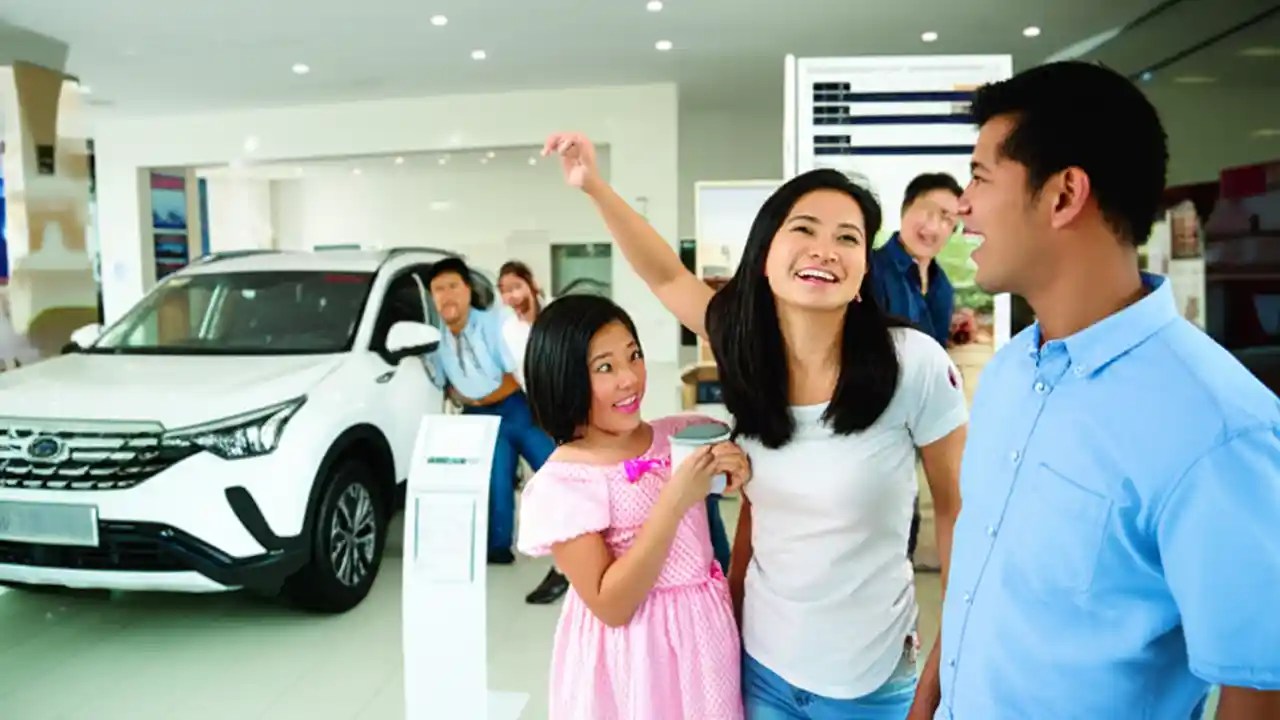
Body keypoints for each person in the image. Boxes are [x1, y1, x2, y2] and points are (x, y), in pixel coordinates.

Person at [543, 132, 968, 720]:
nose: (825, 250)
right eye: (804, 229)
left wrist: (948, 669)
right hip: (758, 667)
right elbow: (666, 276)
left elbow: (958, 510)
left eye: (848, 238)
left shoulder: (913, 364)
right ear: (765, 253)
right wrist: (593, 184)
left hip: (872, 681)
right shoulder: (748, 351)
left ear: (864, 266)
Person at [937, 61, 1280, 720]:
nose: (963, 205)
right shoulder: (1012, 373)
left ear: (1064, 195)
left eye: (980, 177)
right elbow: (984, 588)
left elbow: (1259, 687)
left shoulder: (1219, 425)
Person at [516, 294, 749, 720]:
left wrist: (737, 469)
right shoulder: (565, 483)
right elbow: (611, 604)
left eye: (634, 355)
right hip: (632, 659)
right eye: (605, 367)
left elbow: (737, 473)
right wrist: (674, 501)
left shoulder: (685, 434)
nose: (630, 378)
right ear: (563, 378)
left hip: (705, 643)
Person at [423, 257, 556, 583]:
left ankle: (592, 528)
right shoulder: (434, 340)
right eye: (438, 289)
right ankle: (498, 549)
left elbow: (518, 369)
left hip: (516, 409)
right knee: (496, 482)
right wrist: (465, 401)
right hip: (477, 418)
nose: (447, 295)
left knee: (555, 469)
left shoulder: (496, 324)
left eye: (453, 286)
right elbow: (442, 384)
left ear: (468, 290)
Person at [871, 172, 964, 567]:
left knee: (907, 520)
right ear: (907, 208)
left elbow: (932, 350)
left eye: (948, 220)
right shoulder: (871, 269)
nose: (935, 227)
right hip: (875, 414)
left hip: (920, 421)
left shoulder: (941, 286)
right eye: (930, 212)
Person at [497, 259, 570, 605]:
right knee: (553, 487)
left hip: (576, 410)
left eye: (516, 286)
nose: (511, 296)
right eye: (505, 290)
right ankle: (566, 565)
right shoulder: (510, 331)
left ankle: (569, 567)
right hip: (543, 417)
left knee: (577, 484)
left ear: (531, 284)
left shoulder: (557, 314)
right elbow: (521, 376)